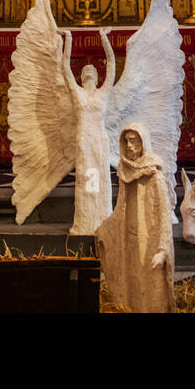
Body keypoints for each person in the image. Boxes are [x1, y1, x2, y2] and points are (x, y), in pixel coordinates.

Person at [96, 123, 175, 312]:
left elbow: (165, 214)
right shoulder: (126, 172)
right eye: (126, 141)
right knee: (132, 281)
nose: (129, 145)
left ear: (143, 143)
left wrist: (163, 249)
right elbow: (120, 210)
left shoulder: (154, 175)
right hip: (130, 238)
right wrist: (106, 231)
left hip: (151, 240)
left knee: (152, 286)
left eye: (133, 140)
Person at [61, 28, 115, 234]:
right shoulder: (78, 93)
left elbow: (112, 65)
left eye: (92, 70)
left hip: (99, 142)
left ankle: (102, 221)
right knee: (87, 181)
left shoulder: (103, 93)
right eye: (85, 71)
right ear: (82, 76)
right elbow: (65, 67)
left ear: (97, 75)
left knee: (99, 180)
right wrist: (69, 38)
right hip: (84, 143)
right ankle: (86, 222)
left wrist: (104, 39)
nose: (89, 71)